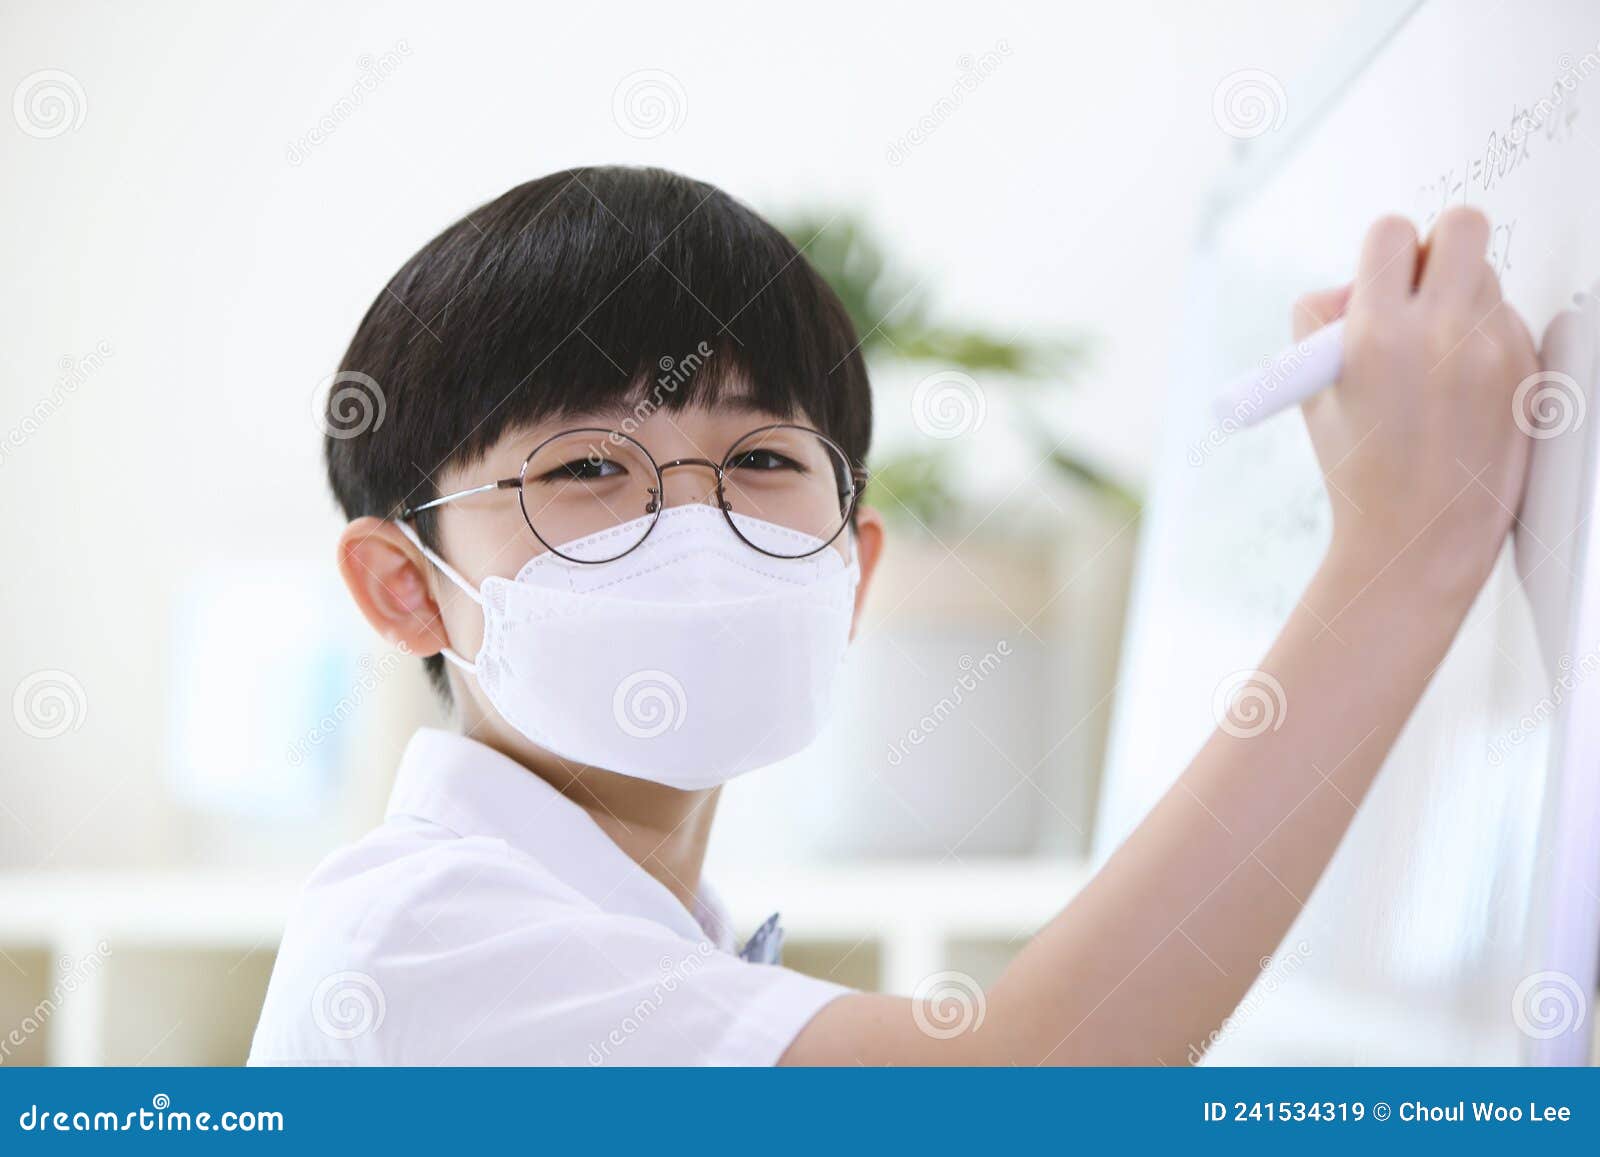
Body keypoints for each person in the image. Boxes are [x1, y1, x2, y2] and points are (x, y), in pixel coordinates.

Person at [248, 166, 1536, 1065]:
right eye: (589, 468)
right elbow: (1036, 1088)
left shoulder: (650, 942)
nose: (694, 533)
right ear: (406, 585)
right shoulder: (420, 937)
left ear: (849, 571)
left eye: (760, 463)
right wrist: (1400, 551)